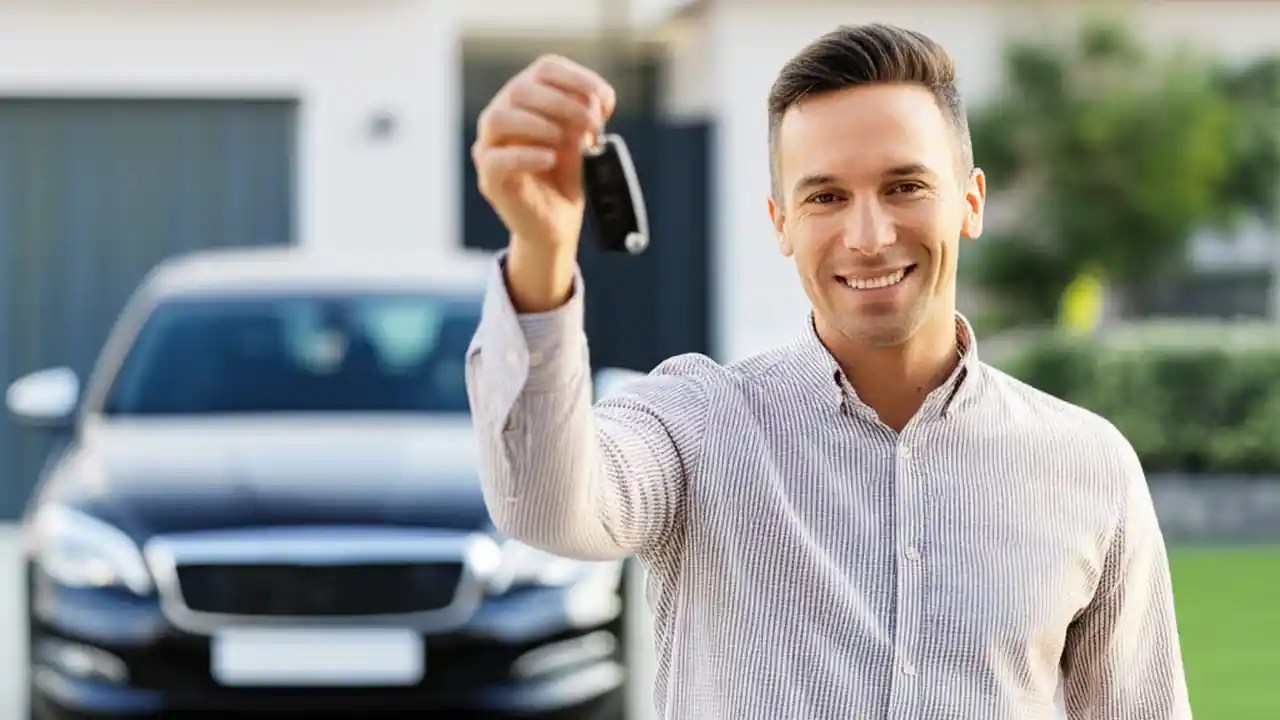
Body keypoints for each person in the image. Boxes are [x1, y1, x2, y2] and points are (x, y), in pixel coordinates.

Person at [464, 22, 1191, 720]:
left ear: (970, 203)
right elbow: (544, 506)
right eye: (826, 197)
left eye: (905, 187)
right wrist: (540, 254)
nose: (869, 236)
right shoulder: (697, 424)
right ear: (781, 222)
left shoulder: (1089, 466)